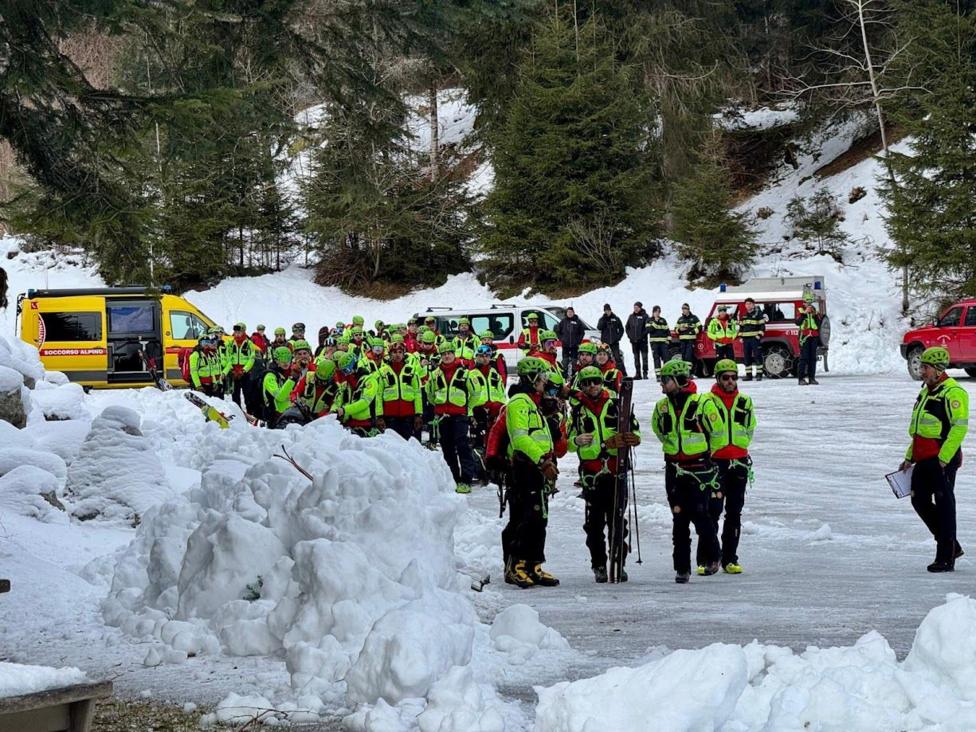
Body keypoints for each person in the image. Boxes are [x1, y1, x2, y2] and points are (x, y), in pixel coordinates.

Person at [651, 358, 721, 584]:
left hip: (698, 469)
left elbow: (717, 432)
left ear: (678, 380)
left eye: (665, 380)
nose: (661, 384)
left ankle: (713, 556)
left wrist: (706, 454)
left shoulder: (702, 404)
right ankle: (682, 567)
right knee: (679, 518)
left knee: (701, 515)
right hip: (674, 469)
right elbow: (658, 430)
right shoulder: (661, 407)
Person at [569, 365, 641, 583]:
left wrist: (631, 438)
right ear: (582, 386)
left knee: (618, 523)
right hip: (592, 474)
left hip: (616, 472)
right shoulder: (577, 411)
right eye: (587, 383)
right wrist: (576, 440)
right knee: (594, 525)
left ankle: (619, 562)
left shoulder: (617, 405)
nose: (592, 386)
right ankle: (599, 564)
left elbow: (634, 430)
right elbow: (567, 442)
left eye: (596, 381)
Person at [900, 346, 969, 572]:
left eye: (926, 367)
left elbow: (959, 429)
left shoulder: (953, 393)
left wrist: (944, 458)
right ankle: (952, 545)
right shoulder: (925, 392)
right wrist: (909, 457)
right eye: (921, 367)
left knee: (944, 505)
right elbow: (920, 431)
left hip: (941, 460)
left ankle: (945, 557)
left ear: (938, 369)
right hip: (922, 458)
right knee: (918, 500)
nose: (921, 371)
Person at [503, 357, 560, 588]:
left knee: (539, 518)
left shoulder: (533, 403)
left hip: (538, 469)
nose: (545, 381)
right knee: (526, 517)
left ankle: (534, 563)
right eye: (542, 377)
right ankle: (516, 564)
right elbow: (520, 438)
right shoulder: (519, 403)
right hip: (525, 467)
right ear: (532, 378)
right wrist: (542, 460)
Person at [700, 359, 756, 575]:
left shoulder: (744, 401)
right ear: (718, 379)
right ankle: (707, 558)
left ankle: (730, 558)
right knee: (711, 512)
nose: (730, 381)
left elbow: (750, 427)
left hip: (739, 462)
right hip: (716, 463)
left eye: (734, 377)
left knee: (734, 513)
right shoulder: (707, 402)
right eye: (726, 377)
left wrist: (740, 446)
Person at [428, 342, 478, 494]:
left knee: (463, 446)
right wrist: (439, 406)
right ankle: (454, 478)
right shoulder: (435, 375)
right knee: (447, 448)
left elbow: (475, 393)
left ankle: (466, 479)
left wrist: (467, 408)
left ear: (453, 354)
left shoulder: (465, 373)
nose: (447, 356)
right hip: (443, 417)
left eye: (449, 353)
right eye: (443, 354)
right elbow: (430, 394)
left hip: (460, 416)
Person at [379, 338, 424, 441]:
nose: (397, 355)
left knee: (407, 442)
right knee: (392, 443)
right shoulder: (383, 372)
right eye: (394, 352)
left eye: (400, 352)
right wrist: (379, 416)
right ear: (390, 354)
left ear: (404, 354)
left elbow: (417, 393)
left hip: (408, 415)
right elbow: (378, 395)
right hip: (390, 415)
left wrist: (418, 414)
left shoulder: (411, 371)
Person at [332, 351, 383, 436]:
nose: (345, 374)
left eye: (346, 370)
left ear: (354, 366)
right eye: (342, 372)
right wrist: (333, 411)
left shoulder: (369, 381)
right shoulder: (345, 385)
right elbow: (337, 401)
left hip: (367, 425)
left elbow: (364, 402)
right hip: (348, 424)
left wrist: (344, 410)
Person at [222, 322, 257, 410]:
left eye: (239, 332)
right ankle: (238, 412)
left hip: (245, 373)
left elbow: (252, 359)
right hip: (234, 372)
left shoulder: (249, 344)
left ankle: (250, 411)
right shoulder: (230, 343)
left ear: (244, 332)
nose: (237, 334)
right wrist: (231, 369)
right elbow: (227, 355)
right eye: (235, 332)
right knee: (235, 395)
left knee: (247, 394)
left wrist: (244, 370)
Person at [262, 347, 300, 424]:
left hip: (290, 414)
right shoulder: (270, 376)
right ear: (276, 360)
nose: (285, 362)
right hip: (275, 417)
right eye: (282, 359)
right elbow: (280, 397)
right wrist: (292, 379)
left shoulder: (288, 373)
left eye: (287, 359)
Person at [737, 298, 767, 381]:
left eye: (750, 304)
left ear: (753, 305)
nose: (748, 305)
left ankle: (759, 375)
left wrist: (759, 336)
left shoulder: (758, 314)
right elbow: (741, 327)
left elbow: (762, 326)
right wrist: (741, 337)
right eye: (747, 304)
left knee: (757, 356)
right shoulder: (744, 315)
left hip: (755, 339)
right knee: (747, 357)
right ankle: (748, 375)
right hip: (746, 340)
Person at [795, 302, 822, 385]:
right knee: (804, 358)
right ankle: (801, 379)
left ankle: (812, 378)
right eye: (806, 302)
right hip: (804, 337)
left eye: (809, 303)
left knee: (812, 358)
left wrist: (815, 315)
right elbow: (797, 322)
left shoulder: (815, 312)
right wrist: (804, 313)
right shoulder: (801, 311)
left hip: (814, 337)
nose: (808, 304)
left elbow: (819, 325)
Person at [555, 307, 585, 379]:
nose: (570, 313)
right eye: (568, 312)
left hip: (575, 346)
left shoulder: (578, 321)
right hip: (565, 345)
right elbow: (558, 331)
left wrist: (578, 341)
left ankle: (574, 376)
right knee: (565, 362)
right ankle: (564, 376)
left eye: (571, 312)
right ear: (566, 313)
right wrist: (562, 339)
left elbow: (582, 333)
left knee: (575, 362)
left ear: (573, 313)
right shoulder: (563, 321)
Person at [597, 304, 625, 375]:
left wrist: (618, 337)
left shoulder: (616, 318)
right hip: (605, 343)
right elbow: (599, 327)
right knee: (605, 358)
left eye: (608, 310)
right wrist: (604, 320)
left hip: (614, 342)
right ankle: (606, 373)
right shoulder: (602, 319)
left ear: (610, 310)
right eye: (606, 311)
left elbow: (621, 329)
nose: (607, 312)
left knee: (617, 358)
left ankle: (622, 373)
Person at [625, 302, 650, 380]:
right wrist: (630, 336)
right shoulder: (631, 316)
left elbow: (647, 328)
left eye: (637, 307)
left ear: (640, 308)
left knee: (644, 357)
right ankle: (638, 374)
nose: (635, 309)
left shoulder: (645, 316)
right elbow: (627, 327)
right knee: (636, 358)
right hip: (634, 341)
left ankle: (645, 373)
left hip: (643, 341)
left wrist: (642, 336)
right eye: (634, 307)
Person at [647, 306, 670, 381]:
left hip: (663, 343)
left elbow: (667, 331)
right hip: (654, 343)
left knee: (666, 358)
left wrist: (668, 341)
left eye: (659, 312)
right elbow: (649, 330)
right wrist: (655, 322)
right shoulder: (649, 320)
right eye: (656, 312)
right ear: (653, 312)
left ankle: (666, 374)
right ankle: (658, 375)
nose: (657, 313)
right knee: (656, 359)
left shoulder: (663, 320)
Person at [675, 304, 701, 369]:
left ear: (688, 309)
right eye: (682, 309)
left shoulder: (694, 318)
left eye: (685, 309)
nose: (683, 310)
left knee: (688, 355)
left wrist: (692, 332)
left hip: (691, 340)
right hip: (682, 341)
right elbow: (675, 329)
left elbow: (700, 327)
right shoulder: (680, 319)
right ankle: (685, 370)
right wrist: (680, 330)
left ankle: (689, 370)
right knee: (683, 356)